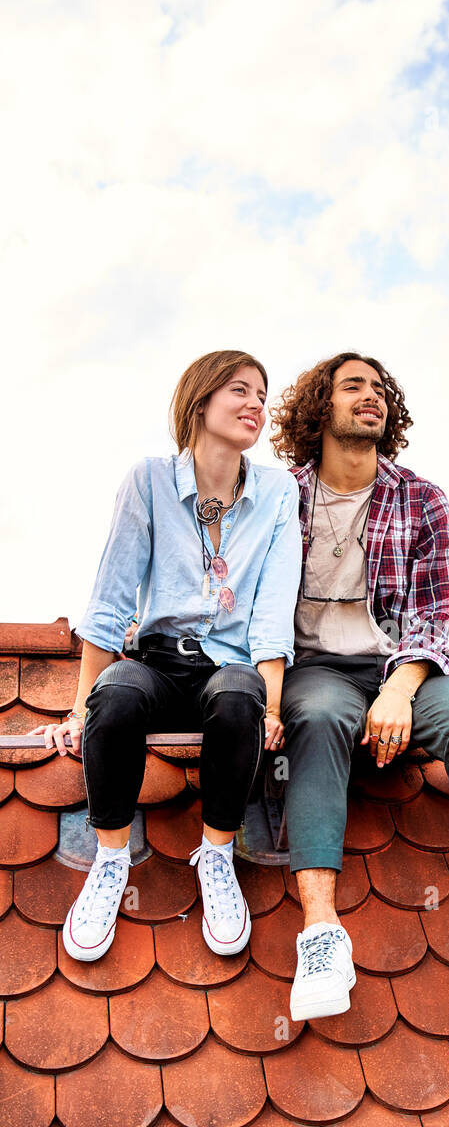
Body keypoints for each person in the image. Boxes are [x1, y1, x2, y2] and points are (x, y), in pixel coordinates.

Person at [269, 351, 449, 1020]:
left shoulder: (422, 500)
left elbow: (434, 616)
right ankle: (320, 934)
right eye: (352, 387)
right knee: (314, 721)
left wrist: (399, 689)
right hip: (315, 670)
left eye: (379, 389)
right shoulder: (280, 498)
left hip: (403, 667)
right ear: (321, 408)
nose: (371, 397)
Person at [32, 350, 301, 962]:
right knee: (118, 696)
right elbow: (109, 599)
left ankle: (217, 853)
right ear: (200, 401)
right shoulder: (148, 481)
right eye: (240, 389)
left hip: (228, 665)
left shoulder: (278, 493)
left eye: (263, 392)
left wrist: (275, 706)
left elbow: (271, 612)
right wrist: (78, 711)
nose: (257, 403)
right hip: (156, 660)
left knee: (239, 700)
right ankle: (109, 860)